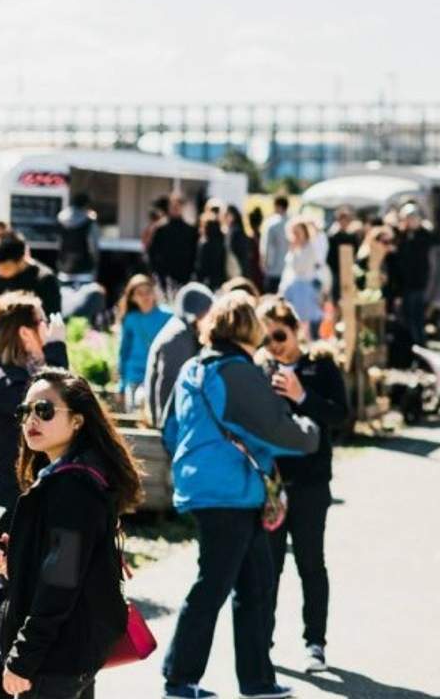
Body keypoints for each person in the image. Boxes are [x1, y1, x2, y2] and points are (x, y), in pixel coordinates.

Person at [160, 291, 320, 699]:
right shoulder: (238, 371)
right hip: (230, 491)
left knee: (255, 583)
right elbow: (272, 427)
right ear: (249, 328)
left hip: (212, 488)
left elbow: (170, 429)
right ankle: (180, 678)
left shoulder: (194, 368)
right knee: (215, 585)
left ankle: (257, 681)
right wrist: (309, 434)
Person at [0, 369, 144, 699]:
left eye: (44, 410)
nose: (31, 419)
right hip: (72, 650)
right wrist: (19, 563)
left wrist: (23, 659)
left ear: (77, 421)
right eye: (25, 411)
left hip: (54, 659)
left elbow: (60, 582)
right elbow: (66, 566)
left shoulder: (72, 487)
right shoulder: (71, 477)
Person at [256, 297, 348, 675]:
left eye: (280, 334)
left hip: (310, 481)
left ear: (296, 329)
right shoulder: (259, 370)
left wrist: (302, 396)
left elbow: (341, 416)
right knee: (268, 565)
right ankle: (263, 641)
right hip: (272, 483)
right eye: (266, 338)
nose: (275, 344)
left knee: (311, 562)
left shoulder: (321, 367)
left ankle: (315, 642)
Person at [0, 292, 51, 594]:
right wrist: (55, 354)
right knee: (17, 599)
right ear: (24, 332)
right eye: (42, 321)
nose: (48, 328)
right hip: (16, 497)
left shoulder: (23, 375)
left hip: (34, 494)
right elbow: (55, 411)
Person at [143, 283, 213, 428]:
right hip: (172, 427)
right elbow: (169, 384)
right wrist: (167, 428)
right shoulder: (179, 338)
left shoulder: (182, 331)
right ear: (198, 315)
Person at [0, 234, 64, 335]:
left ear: (21, 261)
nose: (0, 273)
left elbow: (53, 317)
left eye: (6, 268)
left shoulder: (43, 279)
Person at [385, 204, 436, 364]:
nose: (411, 221)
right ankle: (412, 352)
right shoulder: (401, 236)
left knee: (418, 320)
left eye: (414, 218)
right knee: (408, 321)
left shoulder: (423, 235)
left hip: (419, 284)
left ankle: (422, 352)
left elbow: (430, 241)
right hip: (405, 286)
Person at [115, 275, 171, 412]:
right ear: (133, 297)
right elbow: (124, 352)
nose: (145, 297)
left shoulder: (168, 317)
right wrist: (121, 385)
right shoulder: (130, 319)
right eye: (140, 293)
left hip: (157, 375)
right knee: (135, 415)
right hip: (134, 375)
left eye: (148, 291)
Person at [278, 218, 330, 338]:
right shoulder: (295, 248)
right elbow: (289, 270)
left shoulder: (310, 247)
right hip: (295, 287)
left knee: (312, 321)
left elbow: (301, 267)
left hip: (307, 288)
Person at [147, 194, 198, 287]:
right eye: (173, 206)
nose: (175, 208)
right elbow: (152, 252)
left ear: (182, 208)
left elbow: (195, 253)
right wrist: (157, 272)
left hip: (184, 277)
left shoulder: (190, 230)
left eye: (178, 206)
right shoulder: (160, 229)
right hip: (164, 277)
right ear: (169, 207)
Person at [55, 192, 101, 287]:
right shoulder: (89, 222)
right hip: (84, 270)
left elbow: (58, 242)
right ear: (86, 205)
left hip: (64, 267)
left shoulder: (61, 219)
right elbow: (93, 247)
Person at [260, 195, 293, 295]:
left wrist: (264, 264)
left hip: (274, 270)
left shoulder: (272, 224)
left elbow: (267, 248)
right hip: (289, 270)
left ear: (278, 206)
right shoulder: (293, 222)